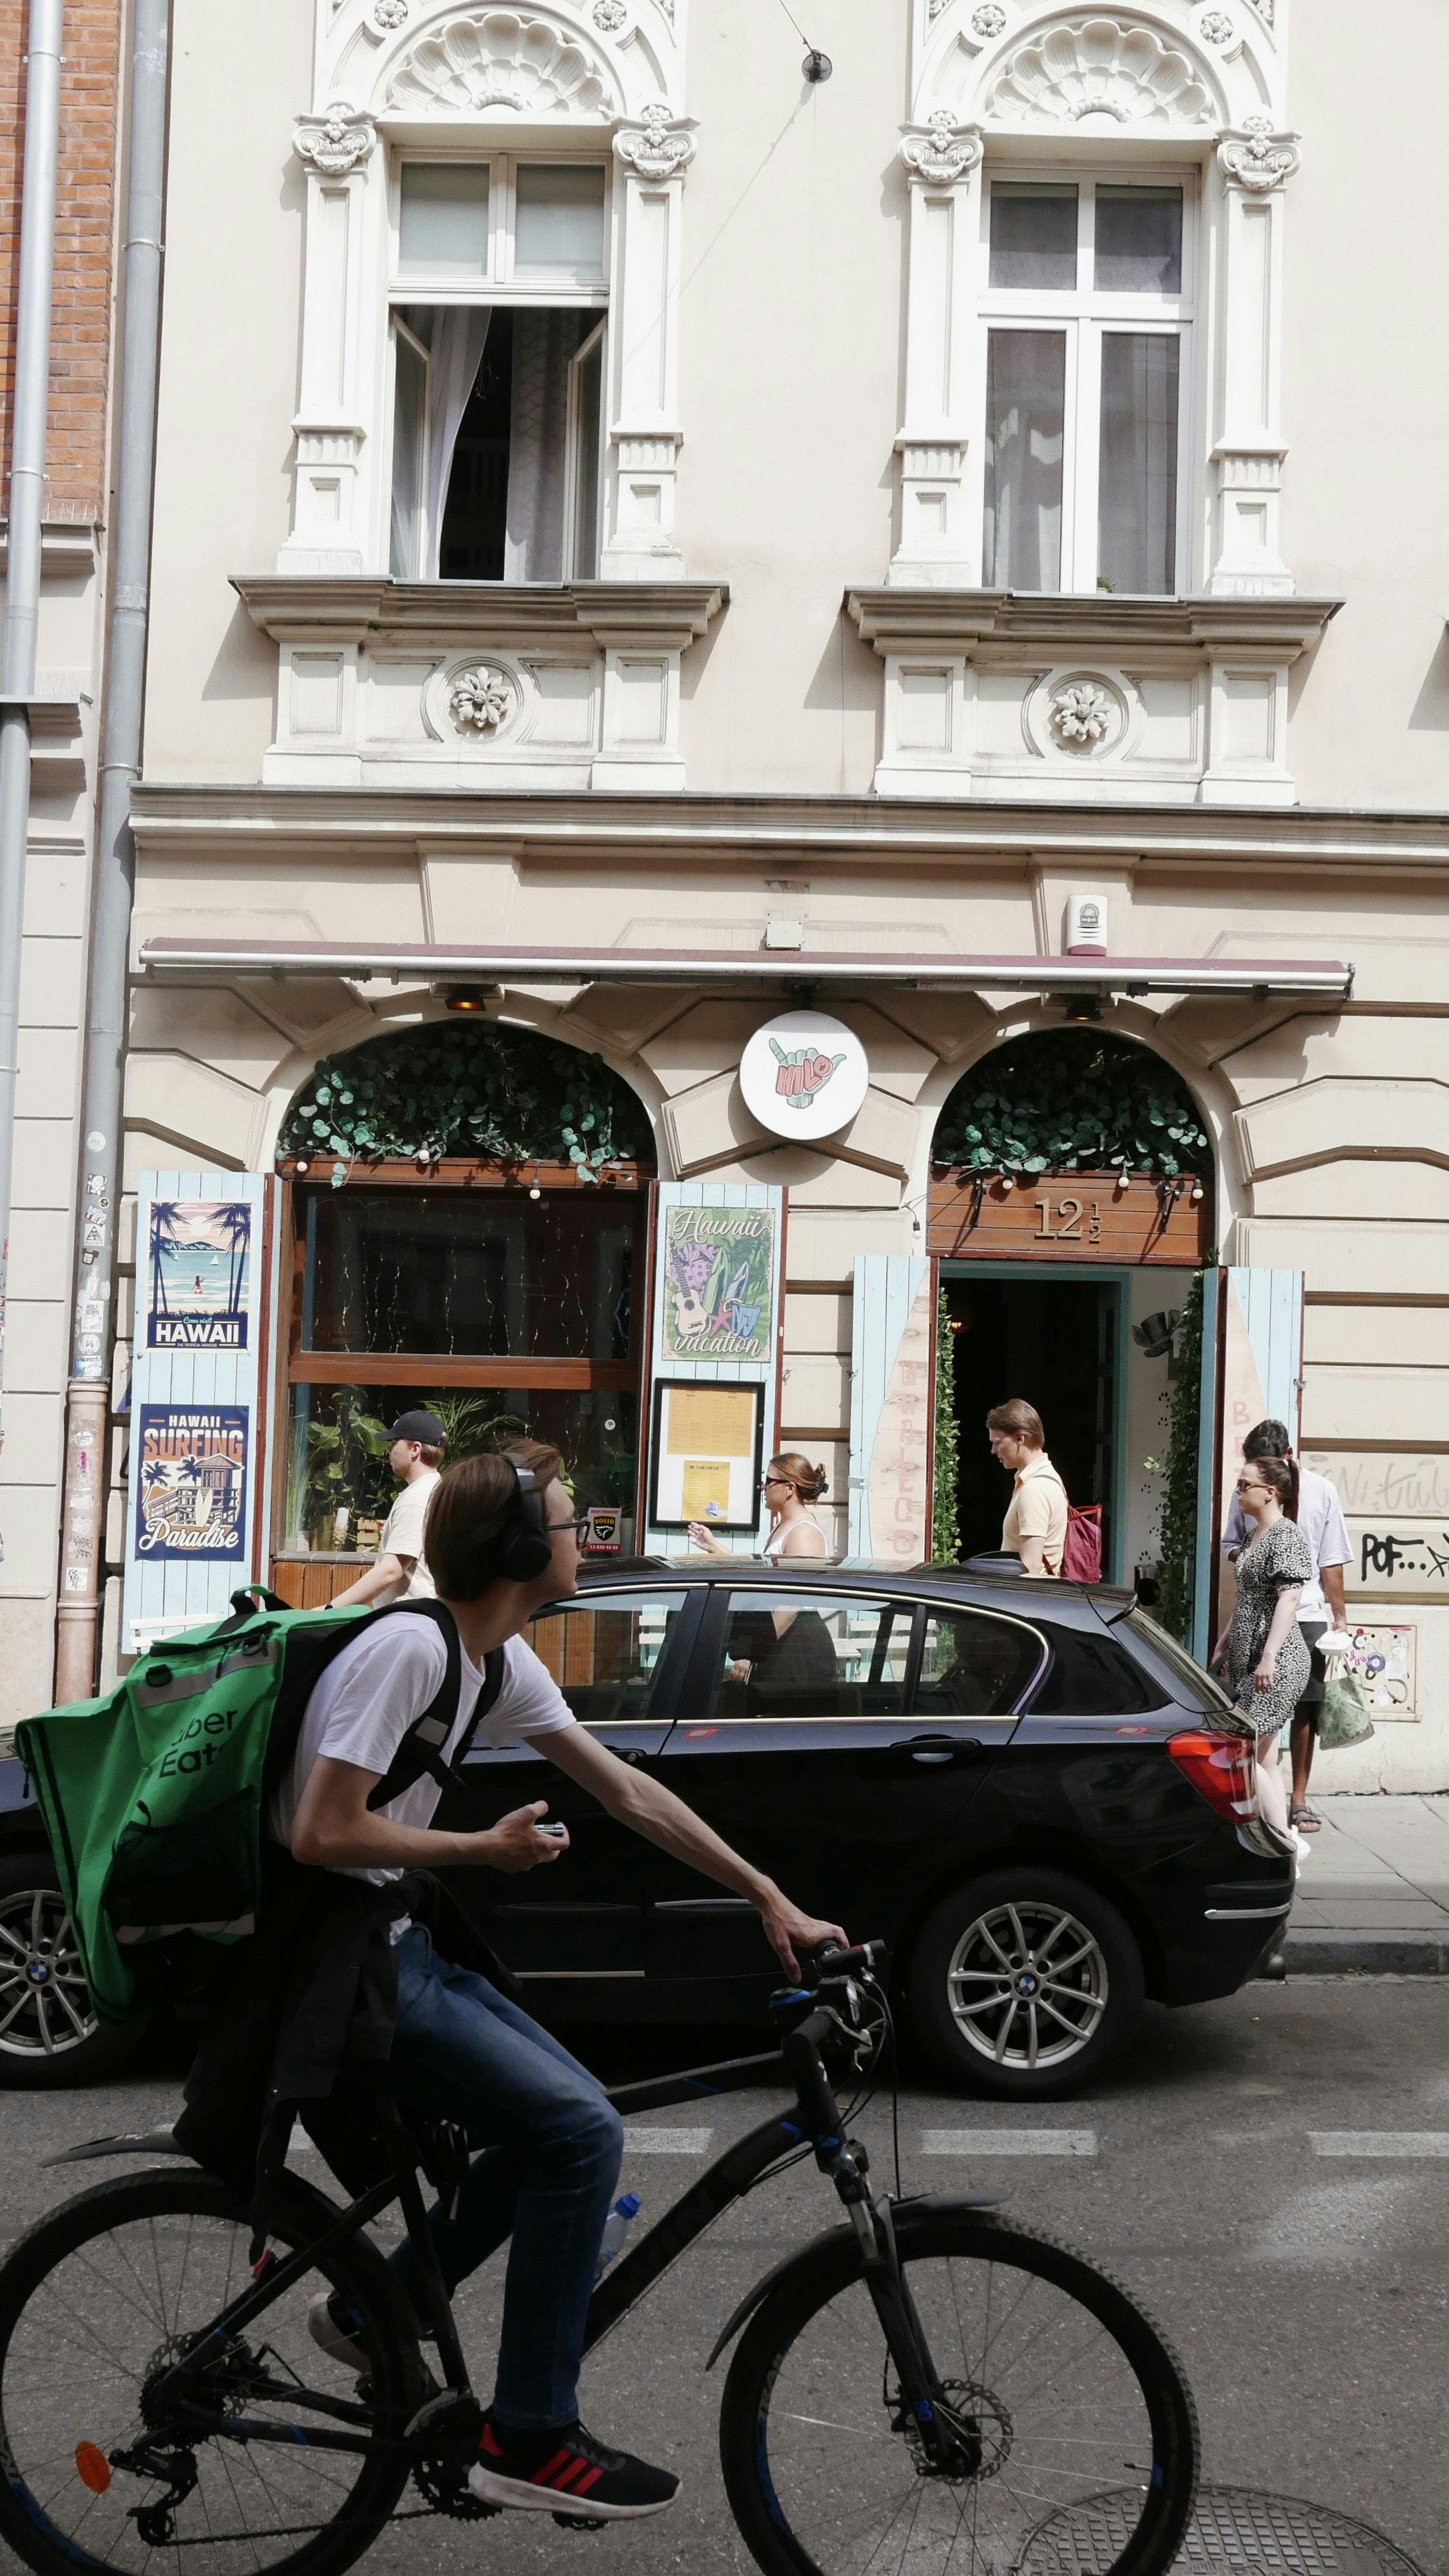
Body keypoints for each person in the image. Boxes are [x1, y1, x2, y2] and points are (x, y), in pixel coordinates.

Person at [281, 1440, 845, 2523]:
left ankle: (373, 2314)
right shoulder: (410, 1650)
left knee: (566, 2118)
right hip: (340, 1957)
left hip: (392, 1936)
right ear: (519, 1549)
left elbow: (628, 1793)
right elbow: (320, 1831)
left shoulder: (495, 1658)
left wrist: (767, 1896)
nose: (587, 1538)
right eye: (572, 1523)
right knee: (582, 2133)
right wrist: (482, 1853)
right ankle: (530, 2434)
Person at [1221, 1419, 1351, 1833]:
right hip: (1256, 1633)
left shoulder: (1312, 1498)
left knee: (1299, 1717)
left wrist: (1339, 1617)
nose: (1241, 1488)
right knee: (1262, 1748)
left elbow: (1327, 1563)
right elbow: (1234, 1556)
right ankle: (1276, 1828)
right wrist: (1227, 1639)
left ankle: (1296, 1805)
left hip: (1302, 1620)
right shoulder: (1252, 1507)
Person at [1212, 1455, 1313, 1839]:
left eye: (1244, 1485)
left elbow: (1289, 1598)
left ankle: (1285, 1843)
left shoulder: (1286, 1535)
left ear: (1269, 1493)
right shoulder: (1256, 1534)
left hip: (1276, 1664)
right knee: (1265, 1758)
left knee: (1243, 1750)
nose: (1237, 1492)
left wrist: (1268, 1658)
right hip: (1251, 1660)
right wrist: (1225, 1640)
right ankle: (1279, 1840)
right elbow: (1249, 1599)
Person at [331, 1409, 446, 1608]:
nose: (388, 1450)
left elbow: (391, 1571)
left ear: (415, 1449)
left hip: (410, 1620)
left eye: (394, 1444)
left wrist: (331, 1608)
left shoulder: (416, 1498)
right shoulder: (440, 1490)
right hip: (427, 1617)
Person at [688, 1452, 830, 1560]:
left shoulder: (803, 1533)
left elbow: (795, 1594)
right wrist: (712, 1545)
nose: (763, 1487)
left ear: (790, 1488)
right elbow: (757, 1575)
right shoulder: (787, 1524)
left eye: (769, 1481)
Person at [986, 1400, 1068, 1576]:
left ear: (1019, 1439)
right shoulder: (1047, 1477)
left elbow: (1031, 1567)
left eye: (998, 1442)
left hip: (1027, 1598)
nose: (994, 1450)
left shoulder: (1035, 1489)